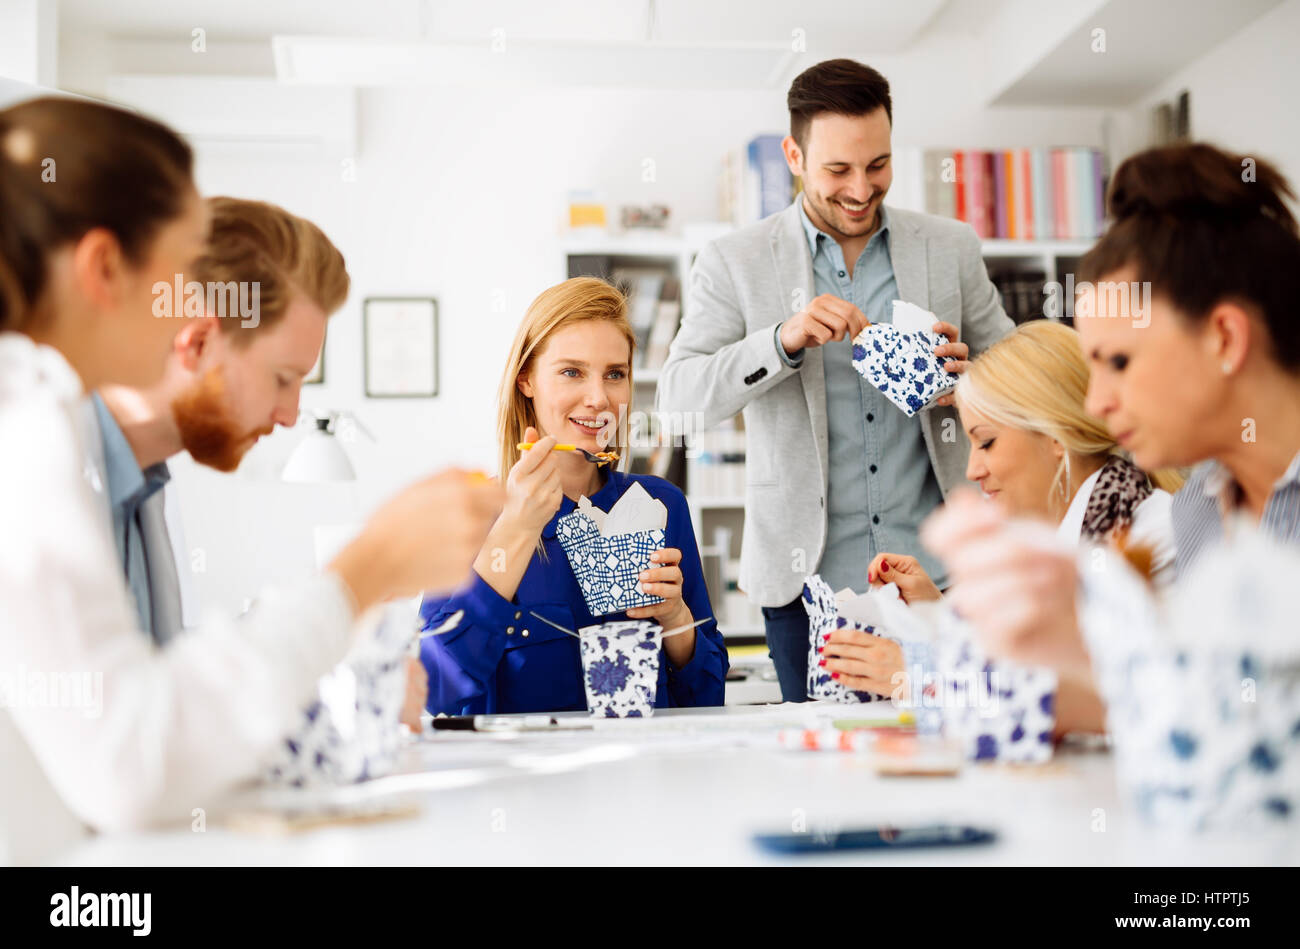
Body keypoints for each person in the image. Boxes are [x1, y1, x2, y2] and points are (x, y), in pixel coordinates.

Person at [0, 97, 501, 864]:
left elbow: (150, 728)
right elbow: (126, 764)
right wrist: (361, 573)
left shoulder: (79, 446)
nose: (184, 315)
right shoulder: (26, 428)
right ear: (104, 269)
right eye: (174, 276)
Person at [916, 143, 1300, 816]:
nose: (1094, 404)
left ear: (1225, 339)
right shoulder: (1201, 510)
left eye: (1119, 361)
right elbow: (1227, 714)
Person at [656, 58, 1013, 701]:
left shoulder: (950, 246)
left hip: (942, 579)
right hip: (804, 589)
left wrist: (972, 379)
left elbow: (1024, 381)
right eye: (837, 170)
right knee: (825, 782)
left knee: (955, 750)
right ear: (794, 155)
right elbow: (679, 396)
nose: (860, 188)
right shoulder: (733, 262)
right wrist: (781, 341)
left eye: (877, 165)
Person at [79, 196, 427, 779]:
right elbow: (119, 754)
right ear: (197, 343)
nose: (291, 414)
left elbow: (159, 697)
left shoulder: (146, 485)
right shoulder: (56, 470)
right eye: (283, 379)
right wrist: (363, 573)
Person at [817, 320, 1180, 736]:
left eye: (987, 442)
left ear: (1055, 434)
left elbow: (1108, 697)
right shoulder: (1070, 531)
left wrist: (919, 674)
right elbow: (1017, 663)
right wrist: (933, 611)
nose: (973, 470)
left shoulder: (1151, 535)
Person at [418, 277, 729, 714]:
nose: (599, 398)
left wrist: (677, 619)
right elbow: (435, 693)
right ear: (526, 379)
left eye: (615, 374)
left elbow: (707, 698)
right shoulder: (467, 514)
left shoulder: (661, 506)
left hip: (643, 775)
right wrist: (517, 528)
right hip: (527, 778)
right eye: (571, 372)